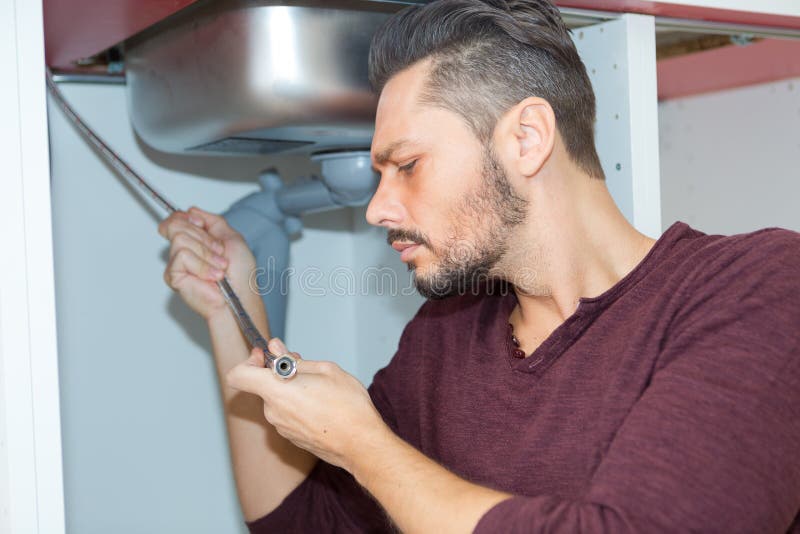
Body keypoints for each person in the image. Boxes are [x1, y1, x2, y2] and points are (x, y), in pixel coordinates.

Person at [158, 0, 800, 532]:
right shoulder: (446, 334)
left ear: (526, 139)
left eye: (406, 165)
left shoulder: (760, 289)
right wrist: (230, 304)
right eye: (380, 173)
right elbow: (305, 522)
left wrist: (365, 445)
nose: (377, 208)